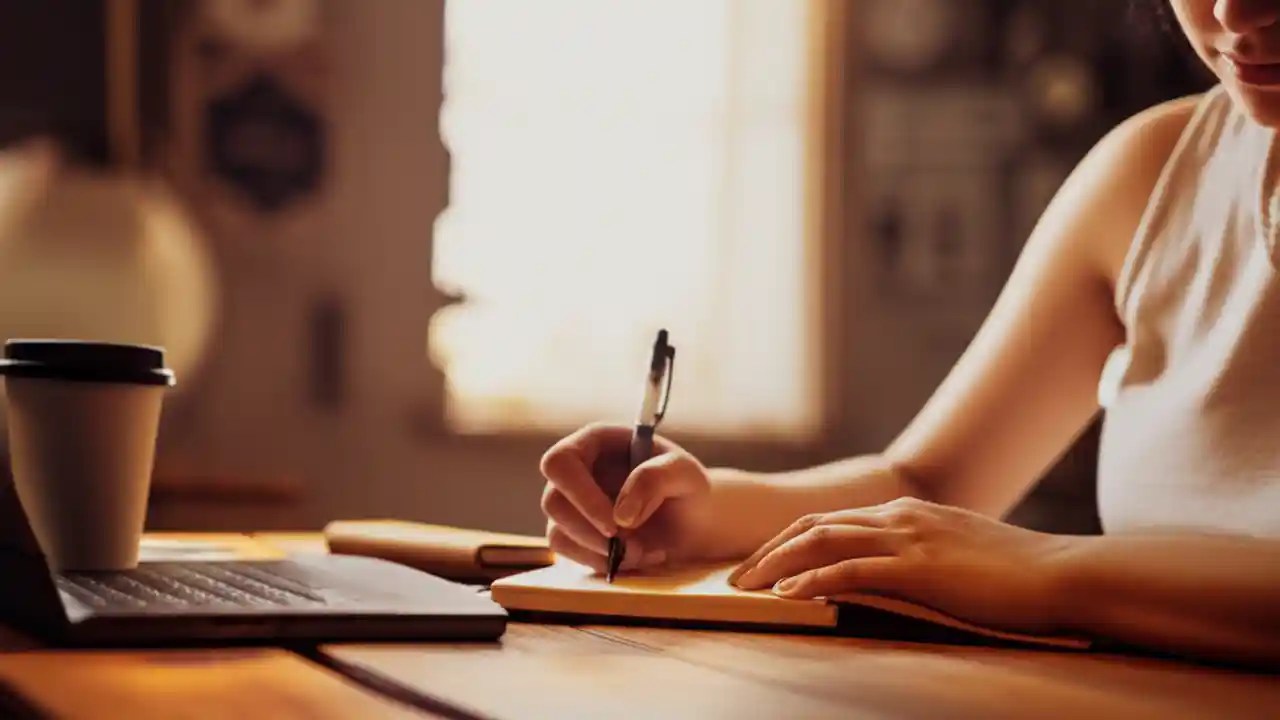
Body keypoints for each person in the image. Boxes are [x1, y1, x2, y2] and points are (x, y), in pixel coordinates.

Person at [537, 0, 1280, 668]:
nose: (1234, 14)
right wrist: (702, 513)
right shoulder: (1153, 174)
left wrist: (1048, 573)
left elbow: (979, 541)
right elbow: (932, 484)